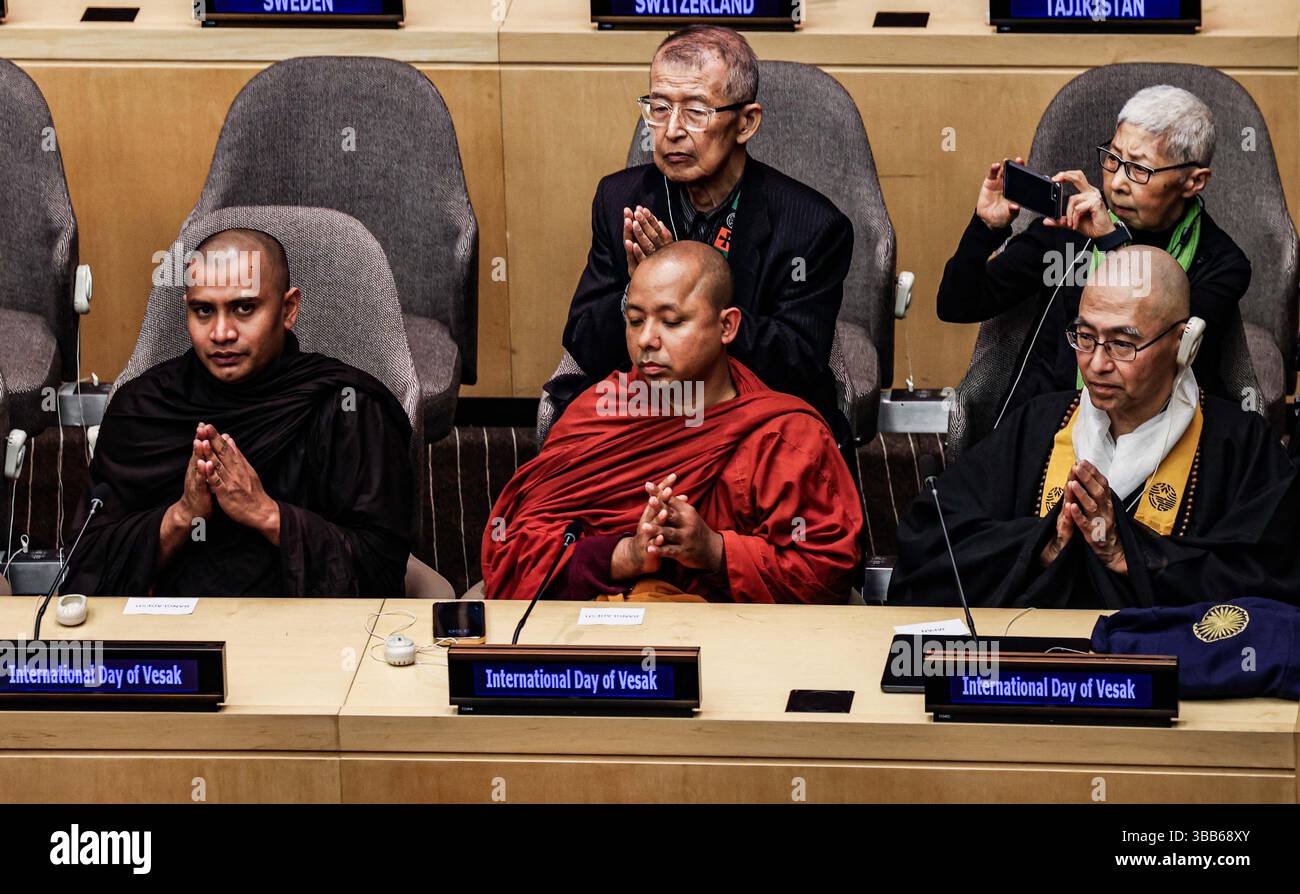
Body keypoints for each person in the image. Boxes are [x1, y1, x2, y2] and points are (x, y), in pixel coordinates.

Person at [891, 246, 1300, 608]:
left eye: (1123, 344)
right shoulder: (1038, 424)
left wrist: (1132, 555)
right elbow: (928, 541)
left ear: (1183, 342)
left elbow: (1273, 579)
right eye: (1085, 337)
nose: (1096, 363)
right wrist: (1044, 544)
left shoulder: (1239, 445)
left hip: (1162, 677)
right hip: (1034, 674)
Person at [485, 241, 862, 604]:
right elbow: (511, 554)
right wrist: (625, 555)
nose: (646, 339)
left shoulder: (782, 435)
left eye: (671, 321)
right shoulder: (598, 413)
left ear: (727, 327)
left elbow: (826, 574)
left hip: (735, 645)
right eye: (634, 321)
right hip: (599, 641)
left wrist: (715, 550)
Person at [65, 228, 414, 597]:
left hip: (305, 637)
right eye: (203, 311)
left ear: (288, 309)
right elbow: (86, 562)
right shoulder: (143, 408)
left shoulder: (346, 408)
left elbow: (381, 569)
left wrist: (267, 514)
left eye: (244, 308)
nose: (221, 333)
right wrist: (182, 517)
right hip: (173, 637)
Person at [554, 24, 854, 440]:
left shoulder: (811, 225)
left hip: (746, 410)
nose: (672, 130)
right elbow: (585, 343)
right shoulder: (619, 199)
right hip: (645, 405)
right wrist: (635, 292)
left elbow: (797, 362)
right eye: (659, 109)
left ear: (746, 123)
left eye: (696, 112)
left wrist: (687, 294)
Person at [939, 85, 1251, 435]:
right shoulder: (1068, 231)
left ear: (1194, 181)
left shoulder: (1222, 264)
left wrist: (1111, 242)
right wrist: (985, 228)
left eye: (1139, 170)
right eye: (1113, 159)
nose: (1117, 182)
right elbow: (957, 305)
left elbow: (1161, 349)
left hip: (1162, 431)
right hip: (1053, 422)